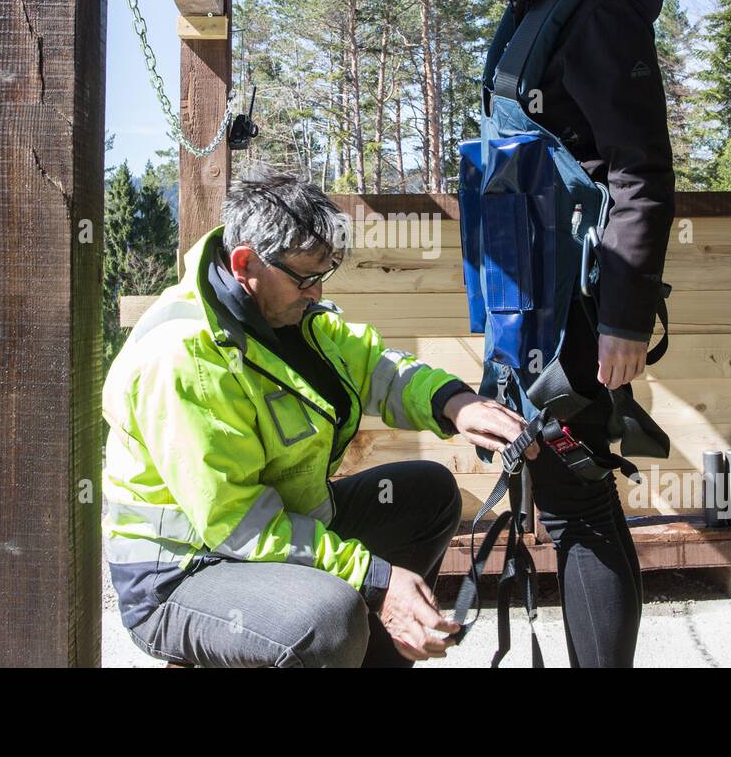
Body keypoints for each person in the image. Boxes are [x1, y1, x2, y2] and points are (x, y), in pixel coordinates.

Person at [101, 169, 529, 667]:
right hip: (183, 574)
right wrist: (377, 579)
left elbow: (373, 367)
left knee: (429, 494)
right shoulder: (184, 360)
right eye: (305, 277)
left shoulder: (286, 312)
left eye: (323, 275)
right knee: (329, 619)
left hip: (283, 522)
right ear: (245, 263)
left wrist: (453, 402)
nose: (317, 292)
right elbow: (239, 526)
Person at [457, 0, 677, 667]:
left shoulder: (595, 16)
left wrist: (622, 319)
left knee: (579, 503)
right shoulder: (531, 12)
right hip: (530, 298)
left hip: (582, 304)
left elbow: (640, 171)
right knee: (561, 495)